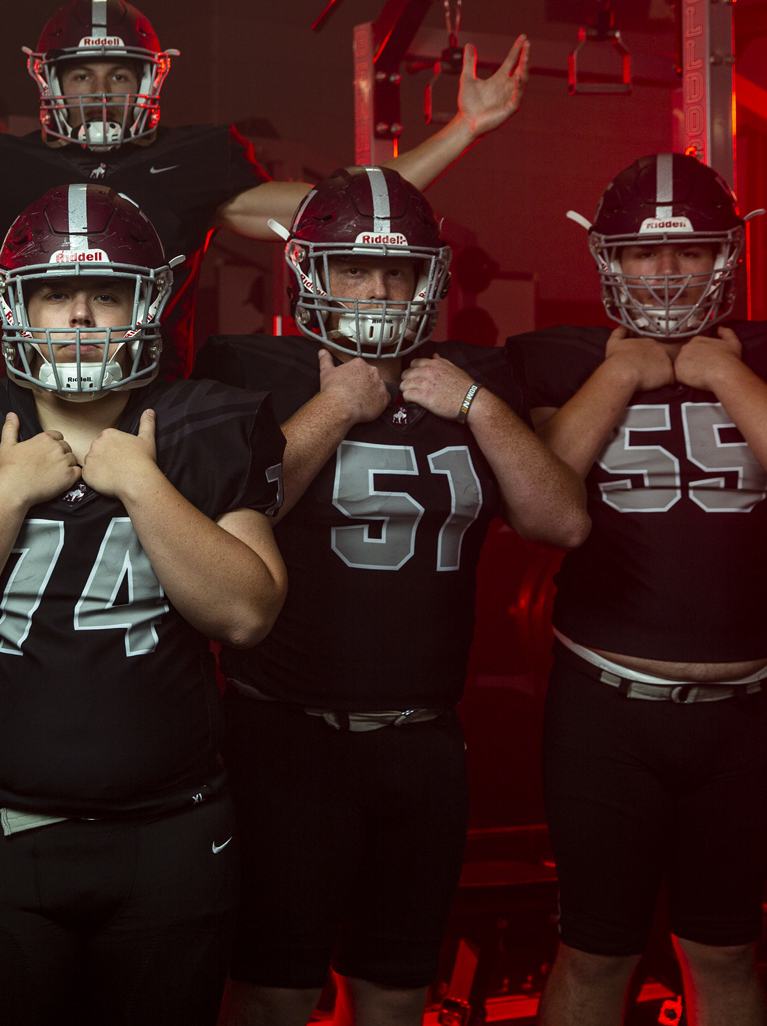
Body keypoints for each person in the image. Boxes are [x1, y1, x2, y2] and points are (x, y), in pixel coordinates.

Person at [0, 184, 288, 1025]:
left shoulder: (206, 423)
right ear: (15, 301)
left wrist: (142, 482)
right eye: (56, 292)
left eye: (108, 292)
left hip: (172, 830)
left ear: (151, 299)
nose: (83, 316)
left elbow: (246, 614)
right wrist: (7, 493)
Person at [193, 168, 590, 1026]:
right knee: (273, 992)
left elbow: (562, 522)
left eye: (399, 271)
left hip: (423, 744)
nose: (377, 289)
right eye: (354, 270)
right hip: (286, 737)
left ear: (428, 280)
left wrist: (477, 405)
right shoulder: (252, 367)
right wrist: (335, 406)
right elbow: (228, 523)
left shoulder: (478, 374)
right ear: (310, 274)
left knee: (397, 992)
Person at [0, 0, 529, 373]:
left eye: (117, 75)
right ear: (46, 81)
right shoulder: (2, 167)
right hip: (38, 407)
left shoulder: (198, 158)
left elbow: (344, 218)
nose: (100, 92)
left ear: (149, 82)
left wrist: (462, 129)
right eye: (82, 75)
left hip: (162, 406)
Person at [506, 155, 767, 1026]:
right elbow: (545, 507)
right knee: (595, 953)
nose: (666, 274)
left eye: (692, 253)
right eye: (641, 255)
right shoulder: (556, 360)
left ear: (726, 257)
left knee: (728, 950)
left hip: (744, 714)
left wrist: (725, 373)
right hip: (605, 711)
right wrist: (624, 373)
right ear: (608, 261)